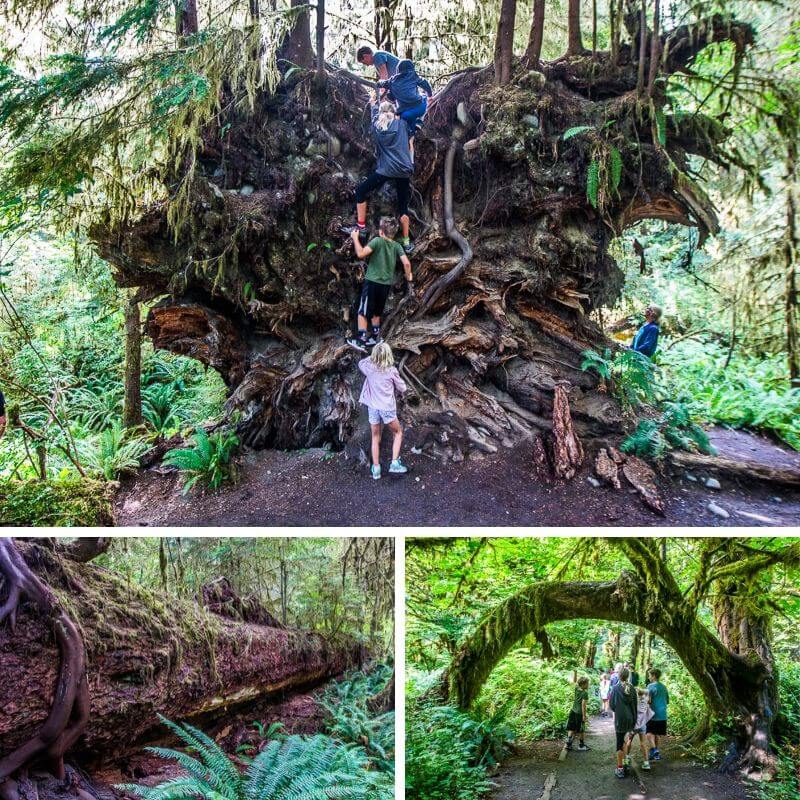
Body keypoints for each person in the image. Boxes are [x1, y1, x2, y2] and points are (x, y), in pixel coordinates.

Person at [348, 96, 415, 253]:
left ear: (380, 114)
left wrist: (373, 104)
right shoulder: (402, 124)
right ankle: (406, 243)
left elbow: (374, 116)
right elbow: (408, 125)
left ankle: (361, 227)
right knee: (403, 207)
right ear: (394, 113)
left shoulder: (376, 127)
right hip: (404, 170)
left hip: (385, 170)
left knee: (360, 191)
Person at [348, 217, 413, 350]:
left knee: (363, 311)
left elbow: (360, 254)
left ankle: (360, 341)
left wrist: (355, 237)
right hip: (385, 286)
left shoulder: (377, 241)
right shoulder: (397, 246)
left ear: (381, 232)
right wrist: (409, 276)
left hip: (372, 283)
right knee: (377, 312)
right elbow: (406, 263)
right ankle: (374, 338)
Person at [357, 342, 409, 479]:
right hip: (387, 409)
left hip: (373, 408)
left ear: (374, 356)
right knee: (398, 433)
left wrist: (372, 357)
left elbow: (361, 362)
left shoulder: (369, 369)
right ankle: (394, 464)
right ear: (389, 355)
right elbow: (402, 388)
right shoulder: (391, 371)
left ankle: (376, 469)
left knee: (375, 437)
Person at [377, 58, 432, 140]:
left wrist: (379, 82)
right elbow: (425, 83)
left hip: (404, 114)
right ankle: (419, 122)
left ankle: (411, 134)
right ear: (411, 68)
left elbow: (381, 84)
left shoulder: (392, 80)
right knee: (424, 97)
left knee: (410, 117)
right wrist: (430, 95)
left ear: (398, 70)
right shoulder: (412, 75)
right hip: (419, 109)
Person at [609, 667, 637, 779]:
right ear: (628, 676)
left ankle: (620, 768)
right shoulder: (632, 688)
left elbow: (612, 705)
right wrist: (634, 720)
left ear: (618, 676)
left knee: (619, 744)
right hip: (630, 718)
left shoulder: (615, 688)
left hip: (620, 719)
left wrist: (618, 710)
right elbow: (635, 705)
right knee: (624, 743)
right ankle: (625, 764)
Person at [624, 688, 653, 771]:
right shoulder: (645, 698)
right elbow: (648, 695)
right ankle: (646, 763)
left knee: (628, 742)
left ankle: (626, 762)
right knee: (643, 743)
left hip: (634, 725)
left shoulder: (634, 701)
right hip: (643, 724)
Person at [646, 668, 669, 761]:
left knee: (648, 733)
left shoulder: (650, 686)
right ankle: (656, 754)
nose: (649, 677)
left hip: (653, 714)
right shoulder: (664, 687)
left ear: (654, 676)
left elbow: (648, 700)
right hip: (663, 714)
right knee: (657, 734)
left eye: (650, 675)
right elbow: (667, 701)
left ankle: (654, 749)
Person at [565, 676, 591, 751]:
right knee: (581, 730)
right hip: (579, 713)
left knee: (571, 727)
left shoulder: (576, 689)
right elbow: (583, 705)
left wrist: (575, 673)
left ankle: (568, 744)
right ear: (583, 684)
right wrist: (584, 716)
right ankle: (581, 745)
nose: (588, 685)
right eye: (587, 683)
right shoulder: (584, 693)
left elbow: (575, 682)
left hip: (573, 711)